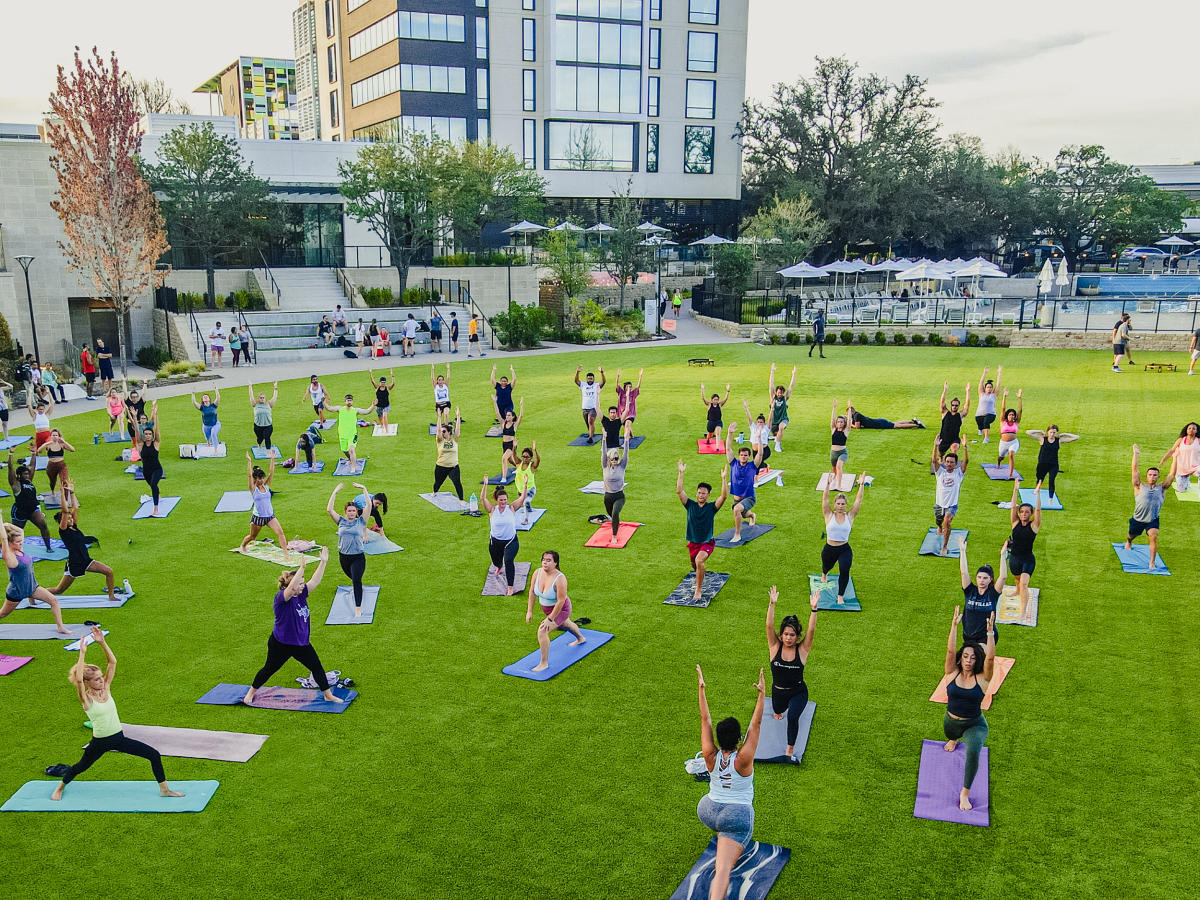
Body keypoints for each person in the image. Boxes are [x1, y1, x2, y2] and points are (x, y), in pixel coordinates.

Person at [50, 627, 184, 802]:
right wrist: (82, 653)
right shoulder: (86, 699)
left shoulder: (106, 688)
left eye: (100, 677)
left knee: (154, 754)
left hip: (119, 739)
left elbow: (112, 663)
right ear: (88, 682)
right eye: (96, 678)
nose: (101, 679)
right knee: (80, 767)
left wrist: (102, 642)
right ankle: (60, 787)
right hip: (99, 743)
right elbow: (78, 680)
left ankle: (165, 790)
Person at [694, 663, 765, 900]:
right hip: (736, 816)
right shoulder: (743, 759)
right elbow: (756, 725)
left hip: (707, 810)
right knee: (722, 870)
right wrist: (762, 695)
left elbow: (705, 719)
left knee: (721, 830)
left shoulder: (710, 755)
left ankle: (721, 834)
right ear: (738, 738)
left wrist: (702, 689)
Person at [243, 548, 344, 706]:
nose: (302, 586)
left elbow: (315, 581)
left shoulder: (301, 594)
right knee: (269, 669)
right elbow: (291, 589)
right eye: (299, 583)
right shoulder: (282, 599)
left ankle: (327, 695)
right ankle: (250, 693)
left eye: (303, 583)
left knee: (317, 667)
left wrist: (323, 562)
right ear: (290, 586)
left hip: (301, 644)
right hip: (281, 643)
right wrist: (302, 568)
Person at [940, 605, 996, 811]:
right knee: (951, 733)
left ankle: (965, 793)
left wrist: (990, 633)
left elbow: (990, 659)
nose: (969, 661)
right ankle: (954, 739)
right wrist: (954, 626)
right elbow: (950, 650)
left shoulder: (982, 679)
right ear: (961, 657)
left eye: (973, 658)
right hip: (951, 724)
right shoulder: (951, 673)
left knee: (973, 751)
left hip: (975, 724)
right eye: (966, 656)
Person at [764, 587, 819, 760]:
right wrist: (772, 604)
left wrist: (814, 609)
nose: (788, 638)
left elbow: (811, 632)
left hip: (798, 692)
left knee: (793, 716)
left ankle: (790, 748)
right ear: (781, 635)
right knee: (778, 711)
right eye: (786, 634)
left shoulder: (802, 650)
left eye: (792, 635)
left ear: (797, 636)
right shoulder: (774, 647)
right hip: (778, 693)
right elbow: (769, 625)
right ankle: (778, 709)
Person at [50, 479, 124, 603]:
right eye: (68, 519)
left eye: (71, 518)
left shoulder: (75, 527)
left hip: (86, 560)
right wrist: (62, 494)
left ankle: (111, 596)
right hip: (74, 564)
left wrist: (72, 493)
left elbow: (75, 508)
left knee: (109, 571)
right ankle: (34, 593)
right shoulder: (64, 531)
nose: (71, 520)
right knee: (59, 590)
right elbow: (65, 510)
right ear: (62, 522)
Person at [0, 509, 66, 633]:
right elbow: (4, 539)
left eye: (21, 541)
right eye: (18, 542)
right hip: (16, 592)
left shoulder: (20, 549)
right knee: (2, 614)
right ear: (10, 544)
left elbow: (21, 531)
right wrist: (0, 518)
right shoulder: (9, 556)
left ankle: (61, 628)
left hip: (32, 588)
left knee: (53, 601)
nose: (21, 543)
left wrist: (7, 525)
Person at [676, 460, 729, 601]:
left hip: (707, 542)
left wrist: (724, 479)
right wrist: (681, 473)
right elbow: (679, 491)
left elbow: (723, 497)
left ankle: (698, 590)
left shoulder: (711, 508)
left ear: (708, 495)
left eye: (704, 493)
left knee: (699, 561)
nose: (701, 495)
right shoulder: (690, 505)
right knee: (694, 564)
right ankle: (700, 573)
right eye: (699, 493)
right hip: (693, 542)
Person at [525, 550, 586, 672]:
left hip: (561, 609)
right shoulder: (537, 573)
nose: (545, 563)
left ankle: (544, 663)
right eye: (543, 560)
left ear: (555, 563)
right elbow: (532, 592)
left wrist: (550, 619)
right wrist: (529, 611)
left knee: (542, 631)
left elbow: (561, 601)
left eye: (549, 560)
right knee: (566, 624)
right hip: (548, 610)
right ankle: (581, 638)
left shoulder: (560, 579)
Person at [327, 483, 372, 616]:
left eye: (354, 511)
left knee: (356, 580)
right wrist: (335, 491)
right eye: (349, 511)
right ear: (345, 512)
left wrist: (364, 488)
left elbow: (369, 506)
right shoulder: (340, 521)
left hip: (357, 557)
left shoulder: (361, 522)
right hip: (344, 557)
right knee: (352, 578)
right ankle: (357, 587)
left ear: (357, 512)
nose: (352, 513)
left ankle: (358, 607)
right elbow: (329, 509)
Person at [820, 475, 866, 604]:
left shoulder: (850, 516)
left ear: (846, 505)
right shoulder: (829, 514)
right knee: (827, 566)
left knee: (845, 569)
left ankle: (840, 595)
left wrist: (861, 485)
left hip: (844, 548)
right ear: (834, 504)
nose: (840, 506)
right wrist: (828, 484)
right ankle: (824, 573)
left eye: (843, 504)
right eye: (838, 504)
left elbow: (858, 501)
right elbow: (825, 499)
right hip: (830, 548)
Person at [479, 481, 529, 595]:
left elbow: (522, 498)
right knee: (496, 562)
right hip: (495, 542)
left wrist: (525, 485)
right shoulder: (492, 510)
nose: (503, 502)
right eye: (501, 500)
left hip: (511, 541)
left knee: (508, 561)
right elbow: (482, 498)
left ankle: (510, 587)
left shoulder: (511, 508)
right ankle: (499, 566)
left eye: (505, 500)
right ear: (497, 500)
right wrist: (485, 485)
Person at [239, 453, 290, 558]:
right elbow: (249, 475)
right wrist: (249, 461)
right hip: (258, 517)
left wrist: (272, 458)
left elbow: (272, 472)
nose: (261, 480)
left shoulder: (266, 487)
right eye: (259, 479)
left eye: (262, 478)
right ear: (255, 479)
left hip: (270, 516)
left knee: (280, 532)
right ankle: (243, 545)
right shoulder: (253, 489)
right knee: (252, 537)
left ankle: (286, 553)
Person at [726, 417, 765, 543]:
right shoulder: (733, 463)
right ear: (739, 456)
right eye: (741, 455)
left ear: (748, 457)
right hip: (737, 498)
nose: (743, 457)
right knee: (742, 513)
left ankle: (737, 534)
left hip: (749, 497)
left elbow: (760, 454)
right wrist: (730, 433)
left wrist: (759, 438)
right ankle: (752, 515)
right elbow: (728, 449)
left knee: (737, 509)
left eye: (746, 455)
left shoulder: (752, 466)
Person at [1125, 444, 1163, 568]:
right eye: (1150, 475)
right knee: (1132, 535)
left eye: (1155, 475)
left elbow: (1172, 475)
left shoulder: (1161, 488)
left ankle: (1151, 563)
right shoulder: (1139, 486)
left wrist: (1176, 457)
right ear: (1146, 476)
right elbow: (1134, 470)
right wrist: (1136, 454)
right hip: (1138, 519)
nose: (1152, 477)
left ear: (1158, 477)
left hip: (1152, 520)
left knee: (1153, 536)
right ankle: (1129, 541)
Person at [7, 449, 52, 548]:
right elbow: (10, 468)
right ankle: (7, 547)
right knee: (16, 533)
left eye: (28, 474)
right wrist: (10, 454)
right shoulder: (16, 484)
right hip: (20, 512)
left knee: (43, 526)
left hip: (32, 510)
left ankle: (49, 548)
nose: (27, 476)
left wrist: (33, 453)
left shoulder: (29, 482)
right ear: (19, 476)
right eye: (25, 474)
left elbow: (32, 467)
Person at [1006, 481, 1040, 610]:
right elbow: (1013, 507)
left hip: (1027, 559)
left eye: (1027, 512)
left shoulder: (1034, 526)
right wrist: (1015, 489)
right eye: (1022, 512)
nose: (1024, 514)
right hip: (1014, 558)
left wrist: (1037, 495)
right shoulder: (1015, 523)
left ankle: (1023, 610)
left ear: (1030, 514)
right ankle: (1017, 590)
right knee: (1017, 579)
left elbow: (1038, 510)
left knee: (1024, 584)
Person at [931, 443, 969, 556]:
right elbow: (933, 461)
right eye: (947, 462)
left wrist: (965, 448)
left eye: (952, 462)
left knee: (947, 521)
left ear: (956, 463)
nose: (949, 464)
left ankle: (944, 546)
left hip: (952, 505)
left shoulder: (959, 473)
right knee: (939, 521)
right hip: (939, 504)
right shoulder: (940, 472)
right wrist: (935, 446)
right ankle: (939, 526)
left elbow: (966, 462)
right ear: (944, 462)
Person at [1025, 424, 1079, 498]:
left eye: (1054, 432)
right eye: (1051, 432)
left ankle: (1051, 497)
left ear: (1056, 433)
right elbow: (1028, 432)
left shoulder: (1059, 441)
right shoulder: (1042, 439)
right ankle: (1038, 487)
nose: (1052, 434)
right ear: (1048, 432)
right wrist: (1040, 431)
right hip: (1042, 463)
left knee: (1052, 479)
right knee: (1040, 478)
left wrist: (1065, 434)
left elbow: (1076, 437)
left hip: (1053, 464)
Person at [600, 432, 631, 545]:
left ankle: (614, 536)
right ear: (609, 459)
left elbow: (626, 454)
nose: (614, 461)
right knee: (611, 515)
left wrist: (626, 441)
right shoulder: (605, 465)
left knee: (615, 513)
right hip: (607, 496)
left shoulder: (622, 466)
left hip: (619, 496)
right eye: (613, 459)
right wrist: (604, 439)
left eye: (616, 459)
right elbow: (603, 452)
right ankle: (615, 523)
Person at [136, 403, 164, 517]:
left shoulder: (156, 443)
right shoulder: (141, 445)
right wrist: (134, 417)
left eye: (149, 434)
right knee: (152, 485)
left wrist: (155, 413)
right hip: (146, 471)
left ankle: (156, 509)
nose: (147, 435)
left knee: (153, 485)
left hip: (157, 469)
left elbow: (157, 429)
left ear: (152, 436)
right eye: (146, 434)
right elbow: (137, 432)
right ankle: (158, 495)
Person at [33, 428, 75, 502]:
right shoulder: (48, 445)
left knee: (64, 481)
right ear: (51, 436)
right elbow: (39, 451)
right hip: (51, 465)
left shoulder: (62, 444)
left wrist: (64, 442)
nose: (55, 436)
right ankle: (52, 491)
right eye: (53, 435)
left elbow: (72, 449)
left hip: (61, 465)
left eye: (56, 435)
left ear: (59, 436)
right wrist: (46, 444)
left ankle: (65, 500)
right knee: (52, 481)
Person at [433, 410, 464, 501]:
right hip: (441, 466)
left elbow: (458, 430)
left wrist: (458, 416)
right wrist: (439, 417)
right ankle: (434, 492)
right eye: (442, 431)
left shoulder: (454, 439)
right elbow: (438, 430)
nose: (442, 433)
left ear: (449, 432)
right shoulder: (440, 440)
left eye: (444, 431)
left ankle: (461, 499)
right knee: (438, 483)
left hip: (453, 466)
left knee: (457, 482)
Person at [336, 394, 371, 473]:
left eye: (350, 400)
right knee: (344, 450)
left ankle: (353, 468)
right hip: (343, 434)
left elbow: (366, 411)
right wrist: (324, 402)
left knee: (351, 450)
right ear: (345, 401)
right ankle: (350, 459)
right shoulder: (340, 409)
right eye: (348, 400)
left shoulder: (355, 410)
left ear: (352, 401)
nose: (349, 402)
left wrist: (372, 405)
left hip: (352, 434)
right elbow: (329, 408)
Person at [936, 382, 971, 461]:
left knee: (954, 450)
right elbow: (942, 402)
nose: (954, 407)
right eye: (953, 405)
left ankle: (953, 464)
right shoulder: (945, 412)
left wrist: (968, 391)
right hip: (944, 438)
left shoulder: (960, 415)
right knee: (940, 454)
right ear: (951, 405)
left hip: (954, 438)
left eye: (956, 405)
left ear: (958, 406)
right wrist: (945, 389)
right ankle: (941, 458)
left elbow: (967, 405)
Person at [1160, 422, 1200, 492]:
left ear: (1196, 431)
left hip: (1196, 466)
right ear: (1186, 430)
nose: (1191, 430)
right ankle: (1187, 482)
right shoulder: (1181, 440)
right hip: (1182, 467)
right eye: (1189, 428)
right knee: (1181, 490)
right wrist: (1163, 459)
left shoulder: (1198, 440)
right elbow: (1172, 450)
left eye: (1194, 429)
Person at [995, 388, 1023, 479]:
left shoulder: (1016, 423)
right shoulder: (1003, 421)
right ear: (1007, 416)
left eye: (1013, 415)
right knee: (1001, 456)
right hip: (1003, 443)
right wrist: (1004, 396)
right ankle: (999, 462)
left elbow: (1020, 411)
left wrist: (1019, 398)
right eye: (1010, 414)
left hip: (1013, 442)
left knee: (1011, 454)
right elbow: (1003, 409)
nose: (1012, 416)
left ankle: (1010, 474)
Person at [768, 364, 796, 452]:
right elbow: (771, 384)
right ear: (776, 392)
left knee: (781, 428)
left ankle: (777, 445)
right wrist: (772, 371)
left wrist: (794, 374)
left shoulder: (785, 398)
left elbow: (791, 387)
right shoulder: (773, 397)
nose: (780, 394)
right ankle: (775, 438)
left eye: (781, 393)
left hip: (783, 419)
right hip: (773, 420)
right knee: (775, 433)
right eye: (778, 392)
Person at [575, 366, 606, 443]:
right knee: (588, 423)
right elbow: (576, 381)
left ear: (593, 379)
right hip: (585, 408)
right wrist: (577, 372)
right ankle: (591, 433)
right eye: (588, 378)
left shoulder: (596, 385)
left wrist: (602, 373)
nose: (590, 380)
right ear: (586, 379)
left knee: (591, 421)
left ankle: (590, 438)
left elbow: (603, 382)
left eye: (591, 378)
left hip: (593, 407)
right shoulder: (583, 385)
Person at [513, 442, 540, 527]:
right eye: (523, 456)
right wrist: (515, 447)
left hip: (530, 489)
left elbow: (538, 460)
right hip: (521, 490)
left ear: (531, 458)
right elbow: (513, 455)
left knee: (526, 502)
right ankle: (529, 509)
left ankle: (526, 519)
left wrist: (535, 450)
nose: (525, 458)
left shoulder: (532, 467)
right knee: (523, 503)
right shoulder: (518, 464)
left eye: (527, 457)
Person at [498, 400, 525, 480]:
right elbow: (497, 414)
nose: (507, 417)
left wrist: (521, 405)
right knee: (510, 460)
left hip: (511, 444)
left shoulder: (514, 425)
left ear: (513, 417)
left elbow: (521, 416)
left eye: (509, 415)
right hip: (504, 444)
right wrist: (495, 402)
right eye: (506, 415)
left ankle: (504, 478)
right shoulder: (503, 424)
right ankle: (519, 467)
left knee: (504, 458)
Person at [248, 382, 279, 452]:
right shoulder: (255, 404)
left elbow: (275, 397)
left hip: (268, 426)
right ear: (258, 399)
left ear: (265, 398)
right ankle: (259, 444)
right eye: (260, 398)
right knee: (259, 438)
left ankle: (268, 450)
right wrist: (250, 386)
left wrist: (275, 387)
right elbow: (251, 395)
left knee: (267, 437)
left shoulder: (269, 404)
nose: (262, 399)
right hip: (258, 426)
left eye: (263, 398)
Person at [845, 404, 924, 429]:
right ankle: (913, 421)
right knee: (896, 423)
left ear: (852, 411)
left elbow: (857, 427)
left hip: (879, 424)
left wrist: (850, 424)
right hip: (879, 421)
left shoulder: (856, 416)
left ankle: (917, 425)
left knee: (898, 426)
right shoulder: (857, 414)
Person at [975, 366, 1001, 443]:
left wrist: (999, 373)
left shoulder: (994, 395)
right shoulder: (981, 394)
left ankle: (986, 438)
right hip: (979, 415)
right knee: (979, 421)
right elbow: (981, 383)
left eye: (990, 387)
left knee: (986, 421)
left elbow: (998, 384)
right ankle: (980, 429)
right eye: (988, 387)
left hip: (991, 414)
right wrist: (985, 372)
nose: (989, 389)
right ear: (985, 388)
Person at [828, 401, 850, 481]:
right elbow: (832, 419)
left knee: (839, 466)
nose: (840, 423)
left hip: (842, 452)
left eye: (841, 422)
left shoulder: (846, 431)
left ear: (844, 423)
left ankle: (839, 485)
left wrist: (849, 409)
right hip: (833, 453)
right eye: (838, 422)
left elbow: (849, 421)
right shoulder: (833, 429)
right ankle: (835, 475)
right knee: (834, 468)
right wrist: (834, 407)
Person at [0, 377, 11, 442]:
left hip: (4, 408)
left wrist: (3, 382)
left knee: (5, 424)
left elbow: (11, 386)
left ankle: (6, 438)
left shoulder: (1, 389)